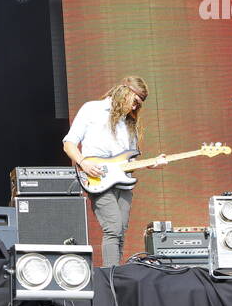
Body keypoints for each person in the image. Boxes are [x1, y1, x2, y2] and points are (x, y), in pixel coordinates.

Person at [62, 75, 161, 265]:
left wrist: (152, 163)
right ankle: (110, 278)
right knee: (113, 228)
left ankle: (117, 275)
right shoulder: (92, 109)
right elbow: (69, 143)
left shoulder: (129, 124)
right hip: (96, 178)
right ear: (125, 92)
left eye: (138, 105)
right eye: (135, 102)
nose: (134, 108)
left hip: (123, 182)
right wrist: (83, 162)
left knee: (121, 231)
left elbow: (130, 161)